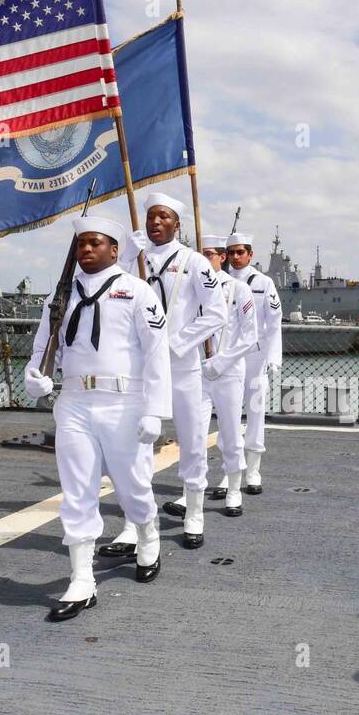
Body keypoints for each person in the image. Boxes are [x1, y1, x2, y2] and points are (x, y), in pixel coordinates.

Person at [24, 213, 171, 621]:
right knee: (77, 491)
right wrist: (34, 378)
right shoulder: (60, 297)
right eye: (81, 244)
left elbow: (157, 355)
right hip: (73, 401)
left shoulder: (137, 292)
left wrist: (157, 411)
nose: (86, 249)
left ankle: (147, 533)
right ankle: (81, 579)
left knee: (132, 485)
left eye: (95, 243)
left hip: (123, 402)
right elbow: (42, 349)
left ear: (114, 249)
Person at [98, 192, 227, 554]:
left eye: (163, 217)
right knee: (135, 446)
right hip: (140, 370)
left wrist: (176, 344)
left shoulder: (195, 262)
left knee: (191, 440)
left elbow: (216, 312)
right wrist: (124, 257)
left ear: (177, 224)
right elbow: (108, 293)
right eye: (151, 216)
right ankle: (133, 522)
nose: (155, 222)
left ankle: (194, 513)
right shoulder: (132, 259)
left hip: (182, 367)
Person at [164, 235, 259, 517]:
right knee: (193, 435)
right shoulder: (188, 289)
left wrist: (222, 361)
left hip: (227, 372)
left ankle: (233, 488)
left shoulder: (239, 290)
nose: (204, 259)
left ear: (222, 257)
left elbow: (250, 335)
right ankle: (189, 494)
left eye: (210, 254)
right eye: (201, 253)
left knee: (230, 433)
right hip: (197, 372)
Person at [225, 232, 282, 494]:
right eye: (232, 252)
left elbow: (274, 322)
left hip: (256, 358)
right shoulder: (218, 282)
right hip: (229, 358)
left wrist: (273, 357)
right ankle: (231, 471)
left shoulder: (264, 283)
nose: (236, 257)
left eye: (241, 252)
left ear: (250, 254)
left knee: (256, 412)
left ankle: (254, 470)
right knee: (229, 416)